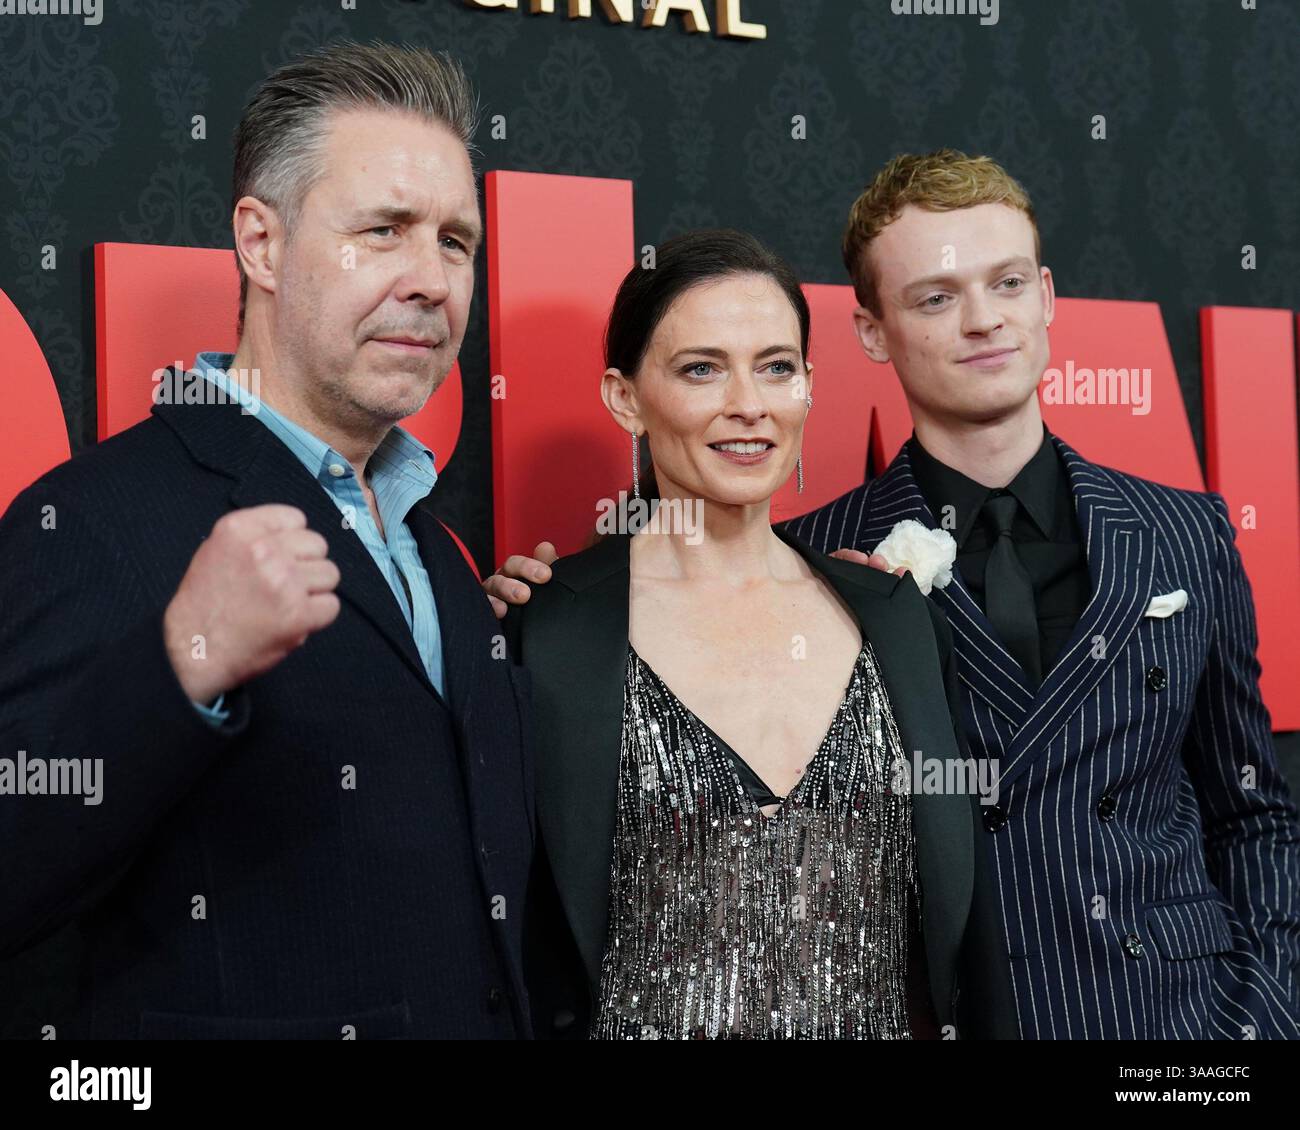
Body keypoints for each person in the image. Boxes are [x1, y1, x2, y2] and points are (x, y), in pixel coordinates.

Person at [489, 150, 1300, 1039]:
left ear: (1048, 295)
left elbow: (1251, 808)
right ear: (871, 332)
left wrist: (1263, 1017)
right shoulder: (844, 568)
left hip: (1180, 1029)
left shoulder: (1182, 534)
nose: (985, 321)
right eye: (937, 297)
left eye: (1007, 282)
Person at [0, 42, 533, 1038]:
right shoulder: (93, 519)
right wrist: (182, 666)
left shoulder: (440, 544)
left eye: (456, 242)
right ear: (261, 242)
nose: (430, 279)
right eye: (384, 230)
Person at [504, 229, 1017, 1040]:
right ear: (624, 396)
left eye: (777, 367)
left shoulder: (892, 616)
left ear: (810, 386)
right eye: (702, 368)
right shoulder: (550, 630)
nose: (750, 403)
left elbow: (965, 927)